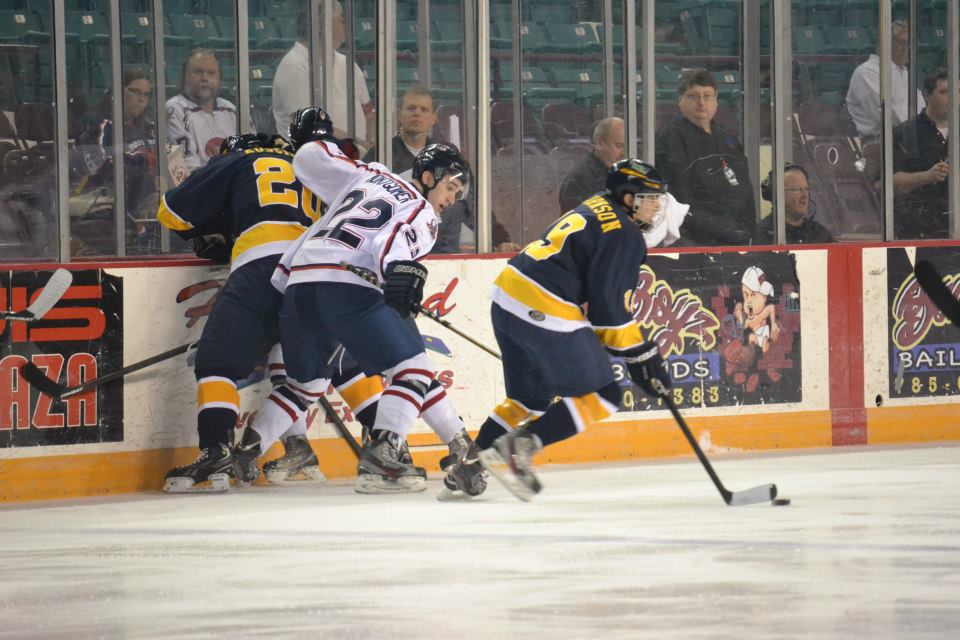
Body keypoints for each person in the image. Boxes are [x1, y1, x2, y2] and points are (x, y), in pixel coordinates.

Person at [156, 131, 383, 492]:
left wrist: (224, 222)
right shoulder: (311, 167)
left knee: (217, 360)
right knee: (338, 359)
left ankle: (216, 450)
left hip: (261, 266)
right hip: (319, 267)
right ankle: (388, 442)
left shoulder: (237, 160)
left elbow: (171, 214)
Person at [269, 108, 478, 494]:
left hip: (303, 280)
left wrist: (317, 142)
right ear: (428, 178)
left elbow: (310, 158)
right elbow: (393, 243)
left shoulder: (372, 174)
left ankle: (454, 441)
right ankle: (387, 453)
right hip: (353, 286)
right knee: (412, 369)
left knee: (395, 365)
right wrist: (401, 272)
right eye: (450, 187)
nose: (451, 199)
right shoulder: (423, 214)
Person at [442, 159, 674, 501]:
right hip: (544, 304)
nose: (655, 206)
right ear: (628, 198)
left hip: (506, 295)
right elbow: (609, 311)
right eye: (649, 198)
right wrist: (642, 356)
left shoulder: (596, 205)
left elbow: (598, 305)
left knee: (529, 399)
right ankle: (522, 445)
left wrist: (635, 354)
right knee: (604, 395)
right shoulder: (625, 234)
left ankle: (470, 466)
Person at [363, 86, 518, 253]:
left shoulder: (447, 153)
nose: (417, 113)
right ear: (400, 115)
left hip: (444, 252)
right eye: (411, 108)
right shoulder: (381, 153)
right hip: (398, 251)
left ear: (433, 118)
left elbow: (471, 201)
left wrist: (498, 240)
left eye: (424, 110)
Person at [655, 69, 756, 246]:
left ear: (716, 100)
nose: (701, 103)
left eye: (707, 96)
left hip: (736, 239)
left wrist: (749, 232)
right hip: (697, 242)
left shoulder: (727, 139)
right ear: (680, 99)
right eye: (693, 96)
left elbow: (745, 189)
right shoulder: (670, 138)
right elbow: (677, 198)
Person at [74, 68, 159, 254]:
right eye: (135, 91)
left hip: (143, 204)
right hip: (105, 204)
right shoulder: (97, 122)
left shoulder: (148, 126)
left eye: (146, 94)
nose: (141, 99)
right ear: (117, 91)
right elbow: (96, 169)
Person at [272, 1, 374, 152]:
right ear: (321, 25)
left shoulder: (349, 65)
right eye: (342, 20)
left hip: (353, 158)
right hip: (309, 159)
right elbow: (310, 127)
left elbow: (368, 113)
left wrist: (372, 145)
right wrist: (359, 146)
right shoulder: (294, 65)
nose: (346, 26)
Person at [892, 69, 951, 239]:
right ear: (927, 95)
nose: (953, 97)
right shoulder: (906, 132)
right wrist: (927, 176)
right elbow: (884, 183)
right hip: (919, 229)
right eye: (944, 92)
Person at [846, 21, 926, 139]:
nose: (905, 49)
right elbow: (893, 118)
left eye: (909, 44)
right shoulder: (866, 72)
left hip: (907, 139)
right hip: (878, 144)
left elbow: (922, 109)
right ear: (885, 43)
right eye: (901, 42)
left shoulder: (904, 73)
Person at [166, 48, 240, 173]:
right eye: (198, 72)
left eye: (211, 73)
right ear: (185, 76)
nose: (205, 78)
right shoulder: (174, 109)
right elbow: (186, 172)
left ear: (219, 79)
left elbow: (252, 158)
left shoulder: (232, 110)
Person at [558, 116, 625, 214]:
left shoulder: (621, 172)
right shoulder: (579, 179)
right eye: (619, 146)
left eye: (626, 146)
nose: (624, 153)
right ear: (600, 143)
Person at [757, 165, 835, 244]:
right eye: (796, 189)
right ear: (777, 194)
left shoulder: (820, 233)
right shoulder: (762, 234)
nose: (805, 195)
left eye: (806, 189)